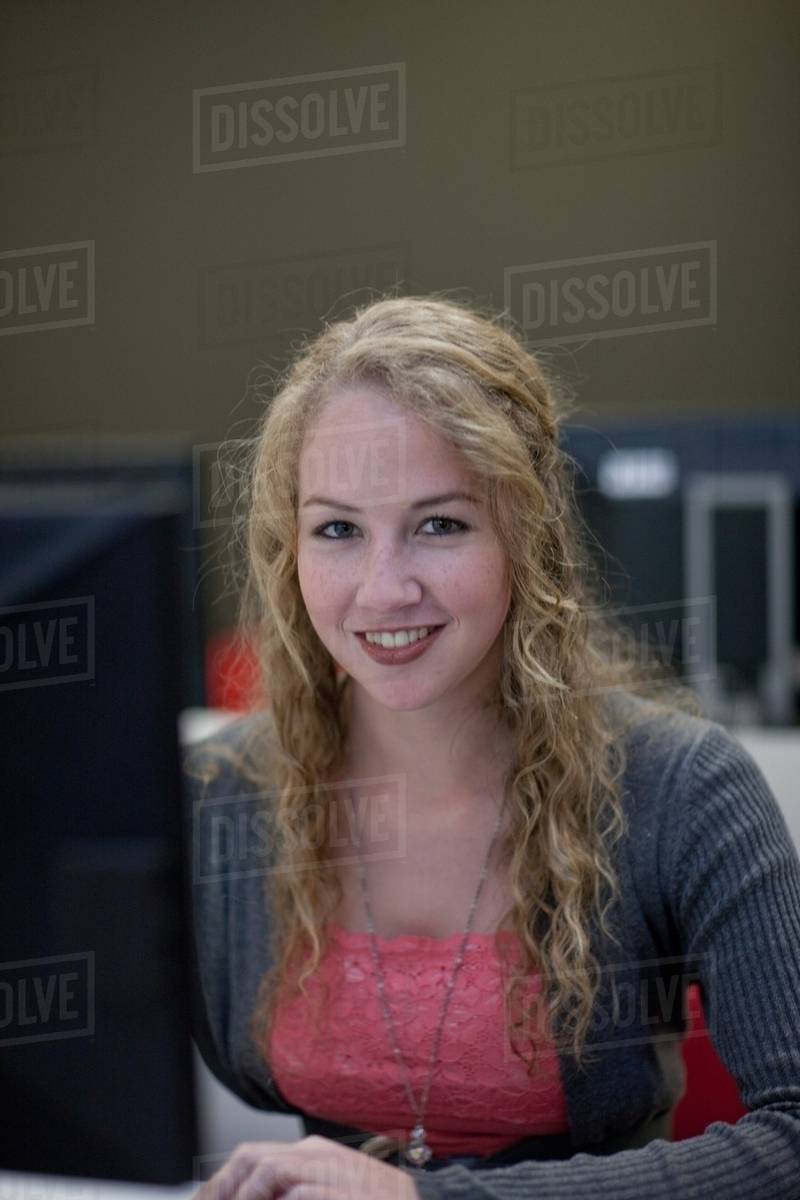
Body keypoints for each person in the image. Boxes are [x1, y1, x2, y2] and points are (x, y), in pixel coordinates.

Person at [185, 295, 800, 1200]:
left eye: (440, 524)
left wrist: (423, 1199)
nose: (384, 589)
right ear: (290, 551)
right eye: (338, 530)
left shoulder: (684, 788)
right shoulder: (220, 795)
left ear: (527, 533)